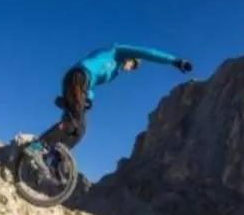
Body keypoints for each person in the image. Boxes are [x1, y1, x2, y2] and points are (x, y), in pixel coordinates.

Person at [24, 44, 193, 177]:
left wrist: (88, 100)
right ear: (130, 57)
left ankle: (51, 160)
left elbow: (92, 84)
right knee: (74, 123)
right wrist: (174, 60)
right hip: (78, 76)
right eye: (133, 64)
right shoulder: (116, 52)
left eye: (134, 68)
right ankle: (38, 145)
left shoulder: (113, 73)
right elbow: (147, 53)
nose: (131, 68)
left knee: (79, 131)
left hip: (81, 84)